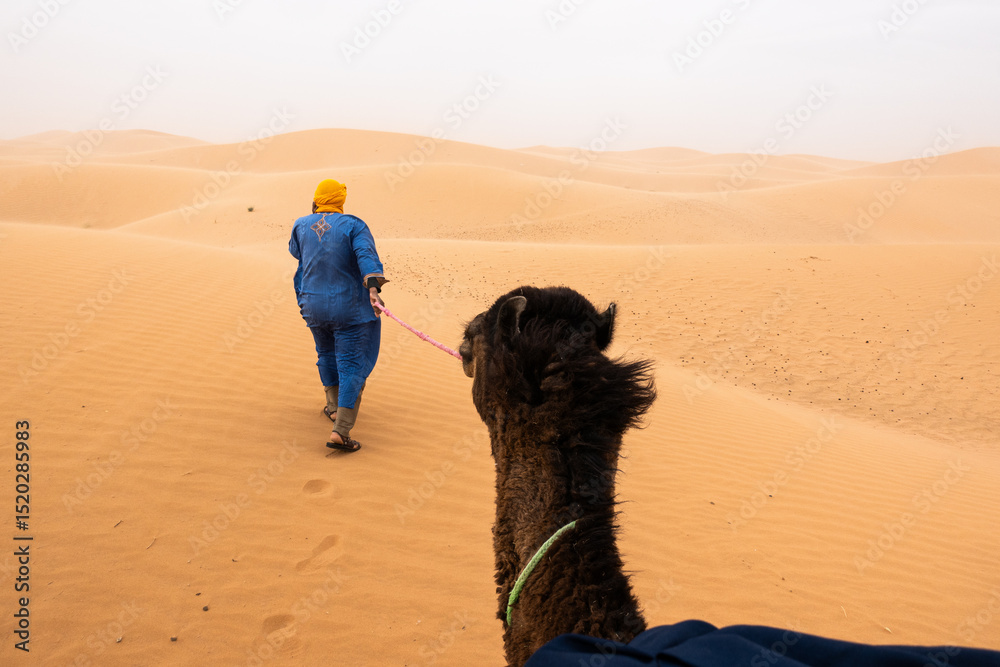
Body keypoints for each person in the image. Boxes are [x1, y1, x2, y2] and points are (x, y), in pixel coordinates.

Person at [289, 179, 387, 452]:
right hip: (350, 308)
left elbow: (296, 252)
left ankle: (333, 408)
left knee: (326, 354)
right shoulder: (354, 225)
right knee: (351, 364)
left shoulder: (300, 224)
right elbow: (366, 256)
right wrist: (374, 289)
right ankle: (341, 431)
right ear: (341, 200)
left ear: (317, 199)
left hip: (312, 305)